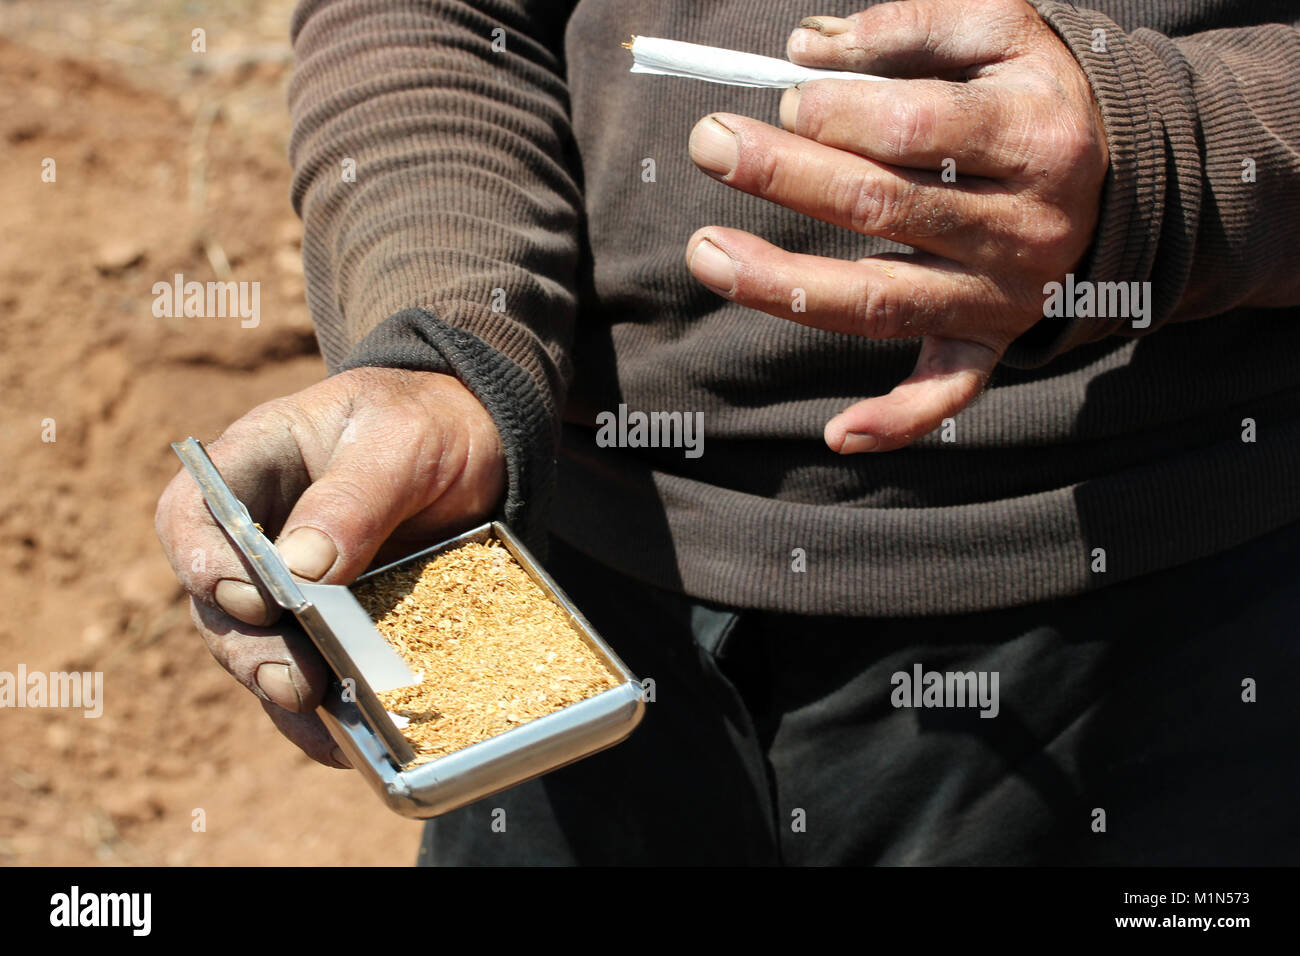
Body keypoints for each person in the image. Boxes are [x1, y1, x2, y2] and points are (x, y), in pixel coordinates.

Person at [155, 0, 1300, 865]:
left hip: (1161, 618)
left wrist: (1164, 160)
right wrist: (446, 346)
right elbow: (440, 18)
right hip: (575, 601)